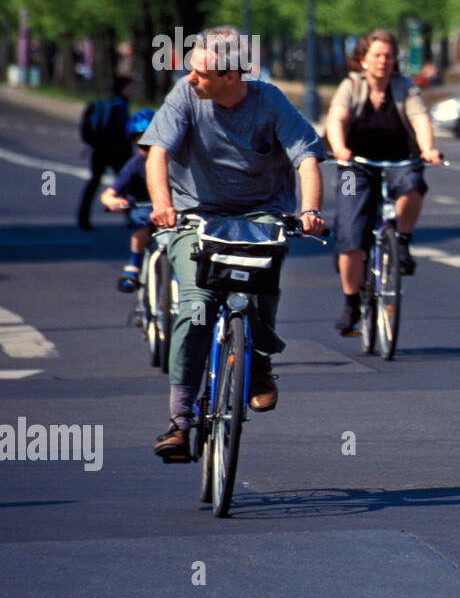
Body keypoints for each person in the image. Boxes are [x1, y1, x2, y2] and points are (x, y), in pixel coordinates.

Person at [142, 27, 327, 461]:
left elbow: (306, 157)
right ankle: (180, 421)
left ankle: (259, 366)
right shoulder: (184, 96)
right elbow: (157, 154)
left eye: (201, 72)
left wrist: (310, 211)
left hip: (259, 213)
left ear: (231, 76)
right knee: (197, 305)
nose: (191, 78)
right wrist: (163, 206)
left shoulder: (269, 100)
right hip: (196, 217)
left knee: (262, 281)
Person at [326, 29, 442, 335]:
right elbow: (336, 119)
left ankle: (402, 242)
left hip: (398, 160)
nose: (383, 61)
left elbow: (420, 119)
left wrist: (428, 148)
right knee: (350, 238)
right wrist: (339, 149)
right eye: (377, 55)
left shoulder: (404, 87)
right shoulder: (351, 85)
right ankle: (351, 303)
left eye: (389, 56)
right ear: (363, 59)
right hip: (357, 164)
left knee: (412, 186)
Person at [100, 108, 155, 292]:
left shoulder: (173, 161)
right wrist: (113, 202)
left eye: (150, 141)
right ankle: (134, 264)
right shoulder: (134, 165)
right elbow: (108, 194)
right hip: (142, 209)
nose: (145, 148)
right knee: (143, 224)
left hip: (169, 211)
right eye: (139, 142)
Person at [77, 75, 133, 231]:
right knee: (127, 184)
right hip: (116, 152)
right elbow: (124, 131)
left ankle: (83, 217)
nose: (133, 90)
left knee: (94, 183)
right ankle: (134, 217)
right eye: (130, 86)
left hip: (99, 150)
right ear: (123, 88)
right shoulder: (120, 105)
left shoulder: (108, 104)